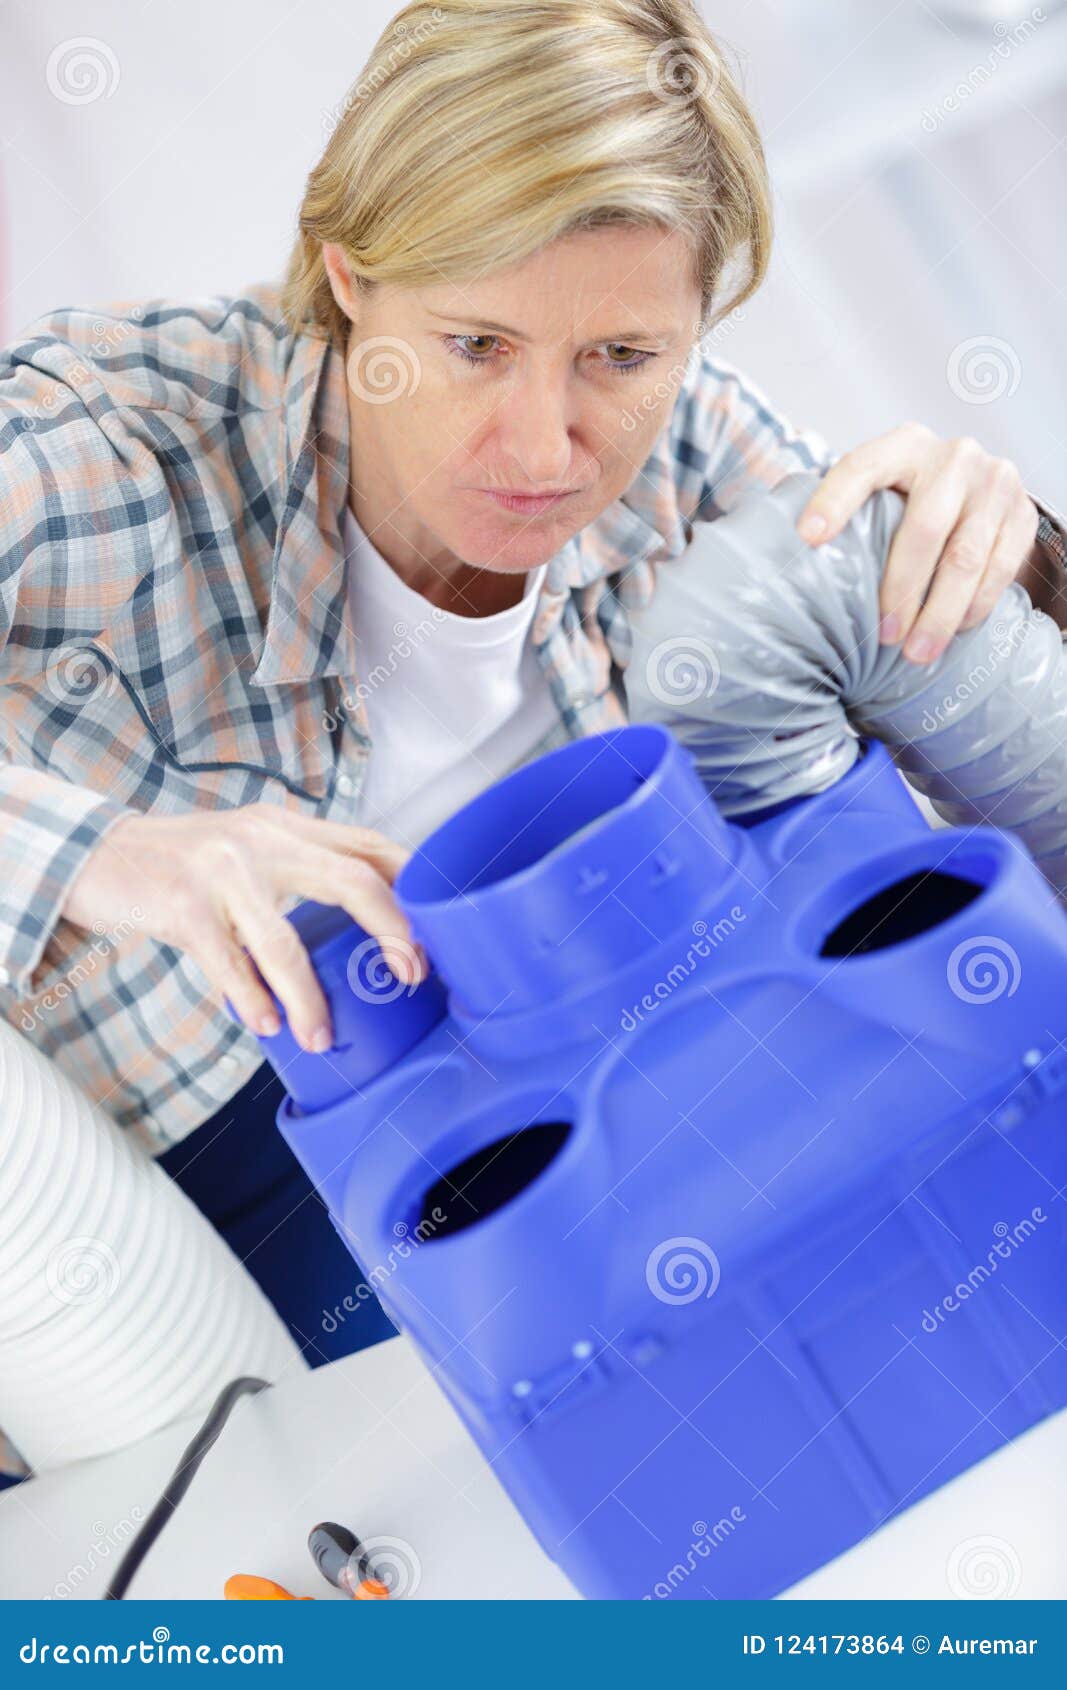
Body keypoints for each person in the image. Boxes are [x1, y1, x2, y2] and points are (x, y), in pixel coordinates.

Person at [0, 0, 1064, 1485]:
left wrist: (1007, 555)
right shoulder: (101, 450)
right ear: (350, 280)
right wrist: (102, 855)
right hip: (178, 1258)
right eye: (476, 343)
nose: (548, 443)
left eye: (621, 353)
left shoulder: (697, 454)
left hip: (570, 1171)